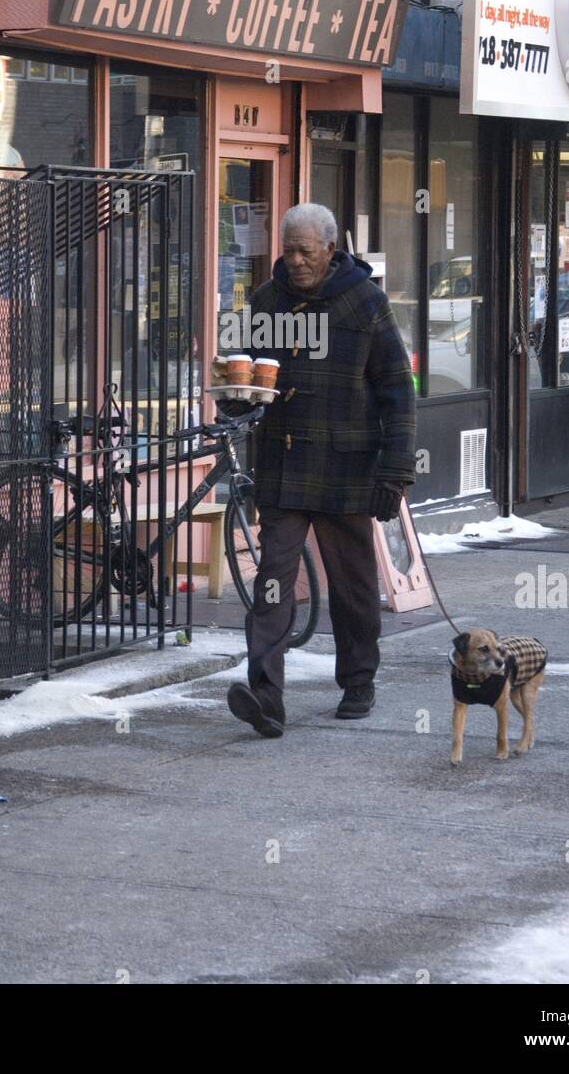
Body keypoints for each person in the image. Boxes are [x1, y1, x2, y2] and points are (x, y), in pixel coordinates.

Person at [224, 202, 416, 738]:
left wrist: (395, 470)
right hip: (284, 467)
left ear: (330, 249)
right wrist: (237, 401)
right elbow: (245, 379)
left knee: (353, 585)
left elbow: (398, 393)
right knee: (271, 583)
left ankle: (358, 681)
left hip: (348, 467)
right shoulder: (265, 301)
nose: (296, 261)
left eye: (306, 251)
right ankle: (266, 696)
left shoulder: (366, 303)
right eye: (288, 250)